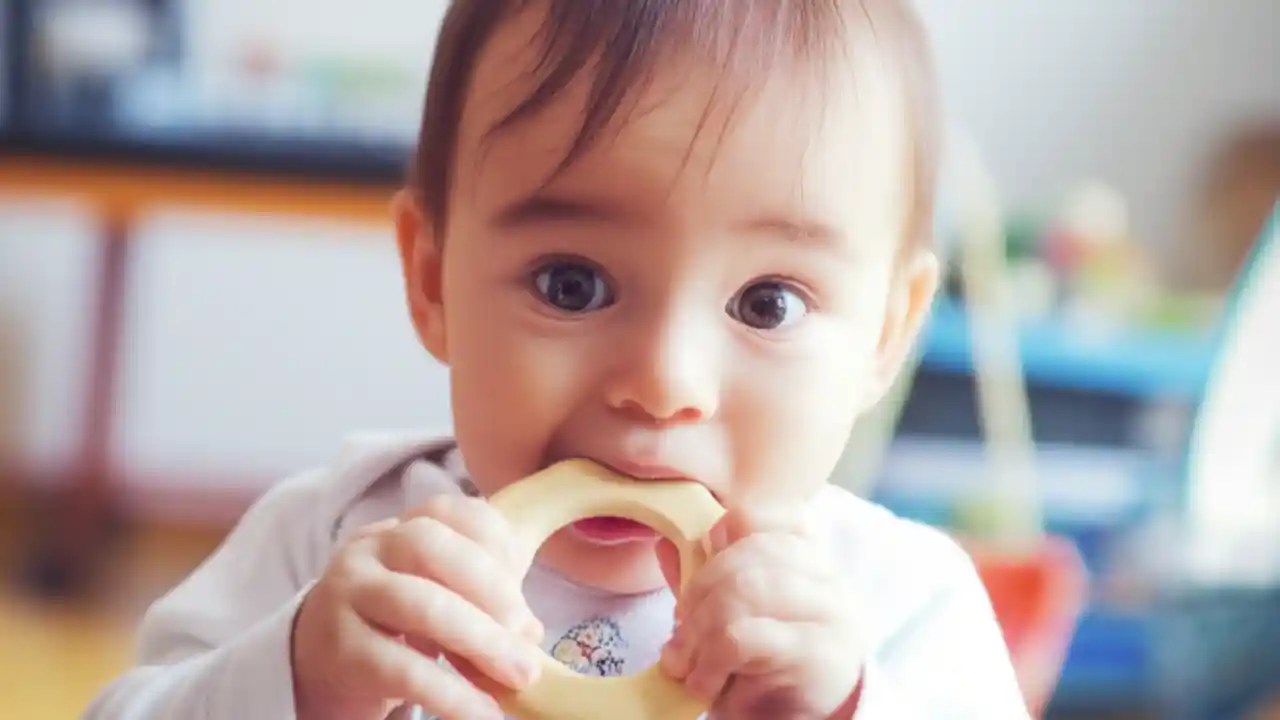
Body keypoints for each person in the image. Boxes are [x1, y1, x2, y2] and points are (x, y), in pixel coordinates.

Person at [87, 1, 1029, 718]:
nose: (664, 383)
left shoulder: (899, 605)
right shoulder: (335, 539)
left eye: (767, 303)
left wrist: (847, 703)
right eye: (572, 283)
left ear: (884, 335)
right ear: (434, 280)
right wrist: (296, 677)